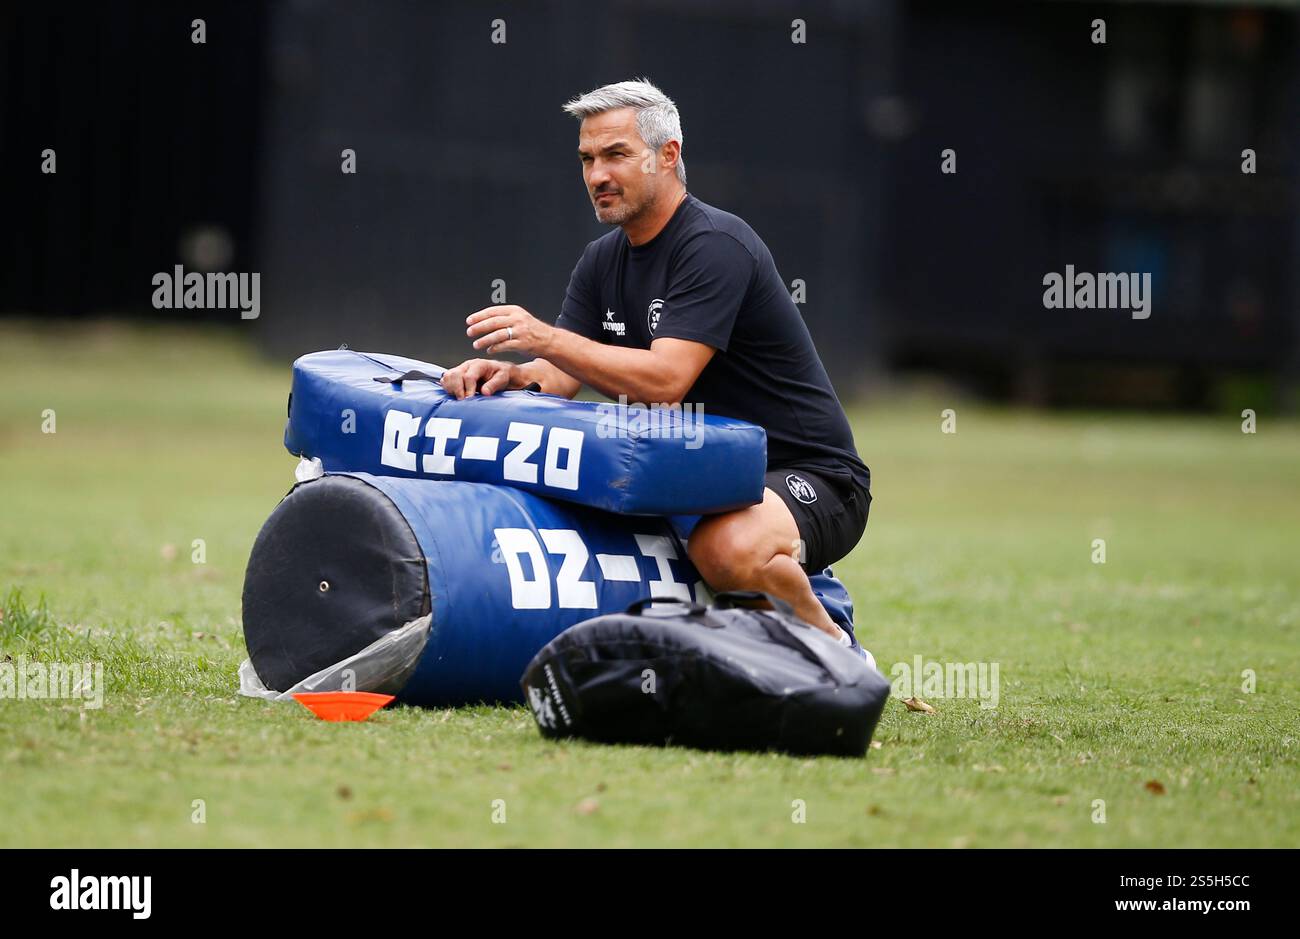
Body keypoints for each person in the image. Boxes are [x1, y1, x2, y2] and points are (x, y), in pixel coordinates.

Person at [441, 78, 872, 659]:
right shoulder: (602, 260)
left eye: (616, 154)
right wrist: (507, 376)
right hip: (695, 481)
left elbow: (667, 379)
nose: (597, 175)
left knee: (725, 551)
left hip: (811, 478)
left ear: (668, 155)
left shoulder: (717, 244)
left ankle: (837, 653)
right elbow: (559, 380)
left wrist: (548, 336)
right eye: (587, 159)